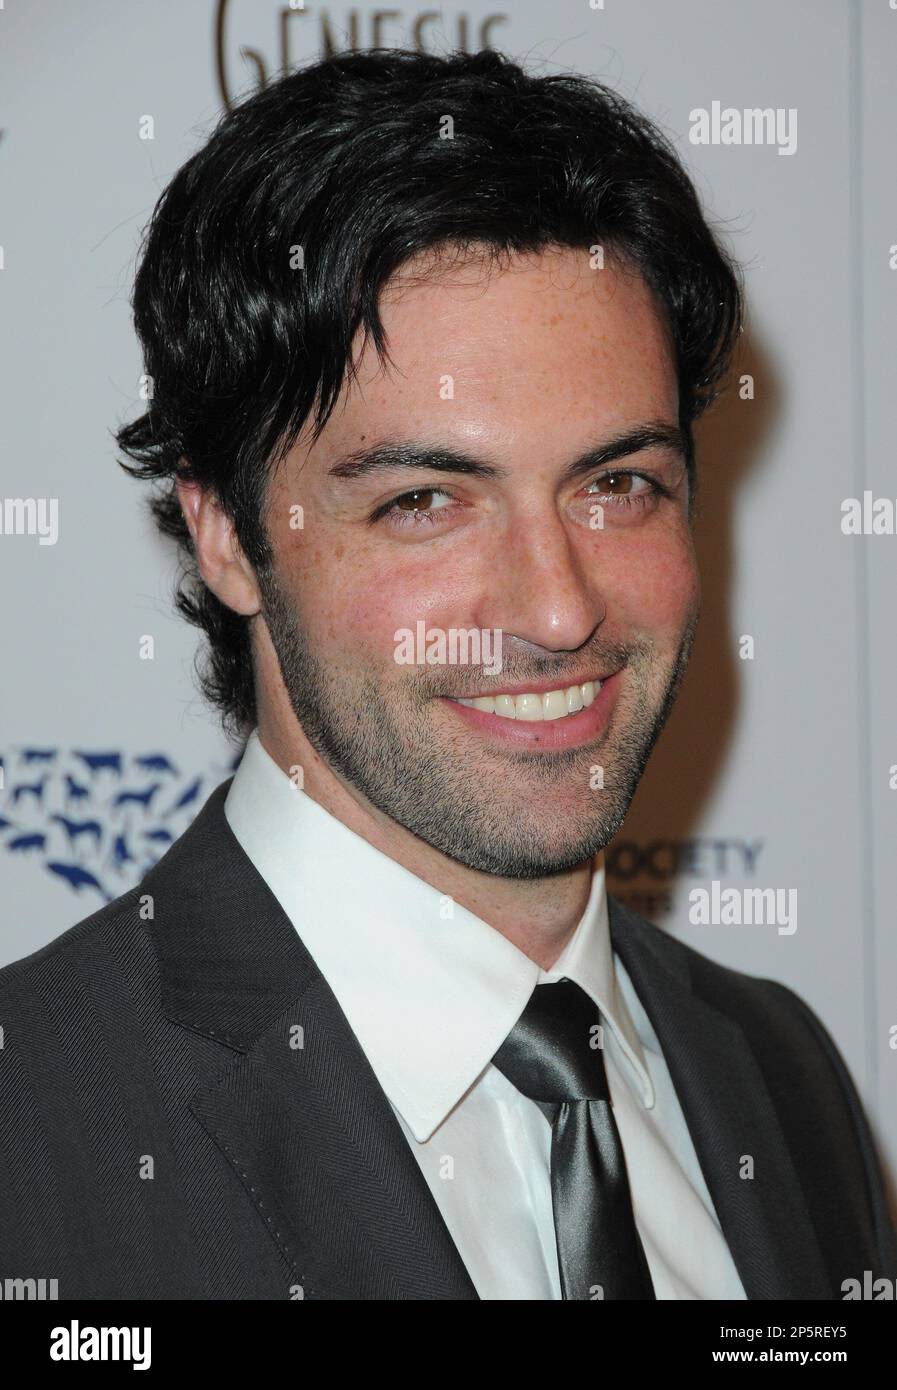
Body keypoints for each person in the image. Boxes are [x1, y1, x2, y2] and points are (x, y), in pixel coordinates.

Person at [1, 47, 894, 1301]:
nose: (558, 606)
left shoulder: (780, 1074)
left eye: (617, 484)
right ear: (227, 536)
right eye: (427, 501)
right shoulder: (35, 1130)